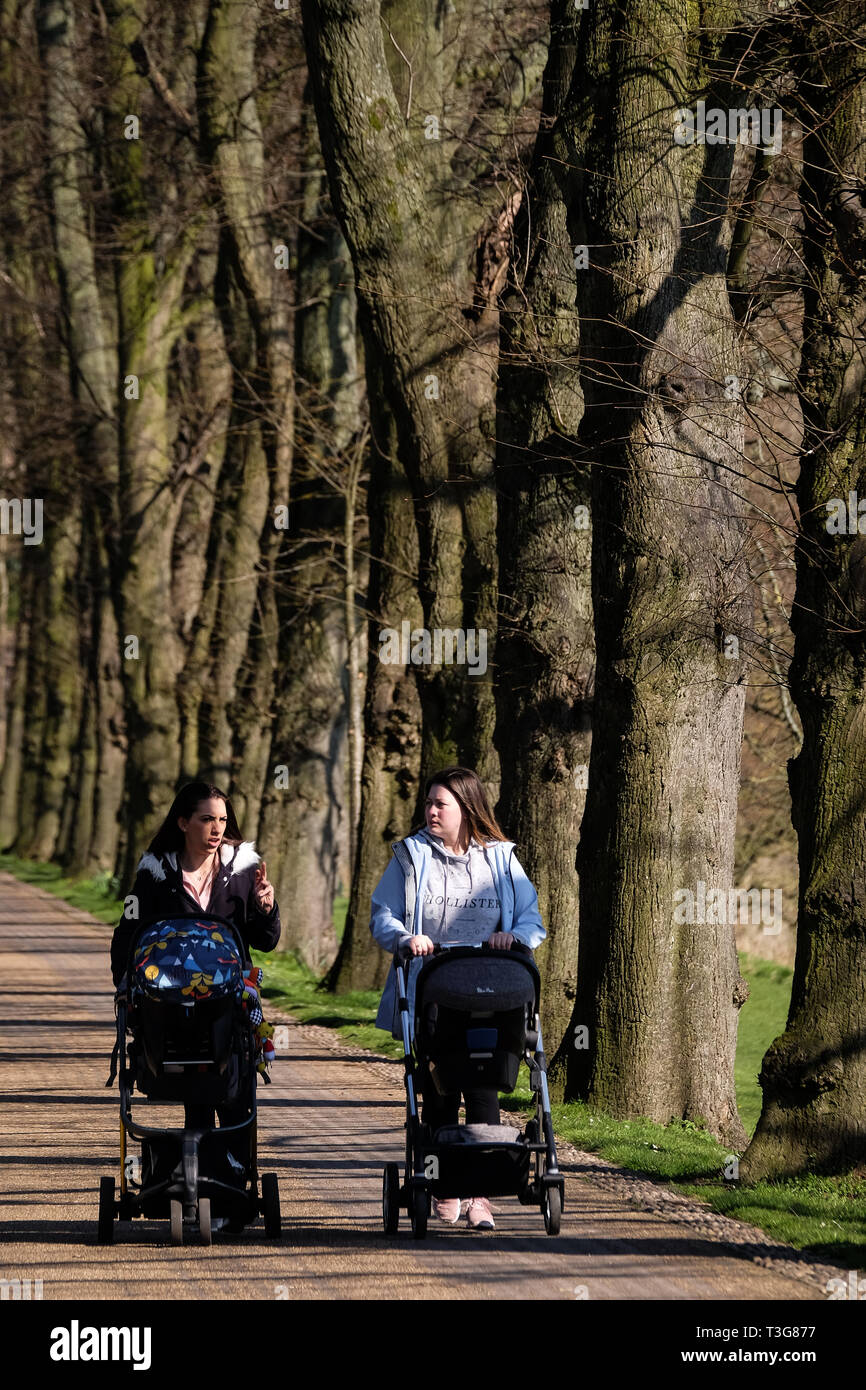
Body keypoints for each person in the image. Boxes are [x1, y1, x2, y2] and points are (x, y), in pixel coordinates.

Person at [370, 765, 546, 1231]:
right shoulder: (411, 857)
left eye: (439, 804)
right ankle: (444, 1185)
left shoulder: (502, 861)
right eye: (427, 803)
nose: (429, 811)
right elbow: (382, 915)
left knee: (484, 1087)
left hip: (491, 988)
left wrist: (514, 936)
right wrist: (407, 939)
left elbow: (533, 919)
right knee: (439, 1088)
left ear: (466, 809)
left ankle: (480, 1196)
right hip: (436, 990)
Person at [110, 780, 281, 1178]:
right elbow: (128, 932)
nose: (217, 829)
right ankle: (200, 1179)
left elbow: (266, 941)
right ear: (183, 822)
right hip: (172, 1005)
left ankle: (234, 1179)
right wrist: (126, 986)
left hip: (229, 1002)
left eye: (222, 819)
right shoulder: (155, 875)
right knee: (198, 1091)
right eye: (206, 819)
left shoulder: (243, 870)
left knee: (234, 1092)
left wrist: (264, 907)